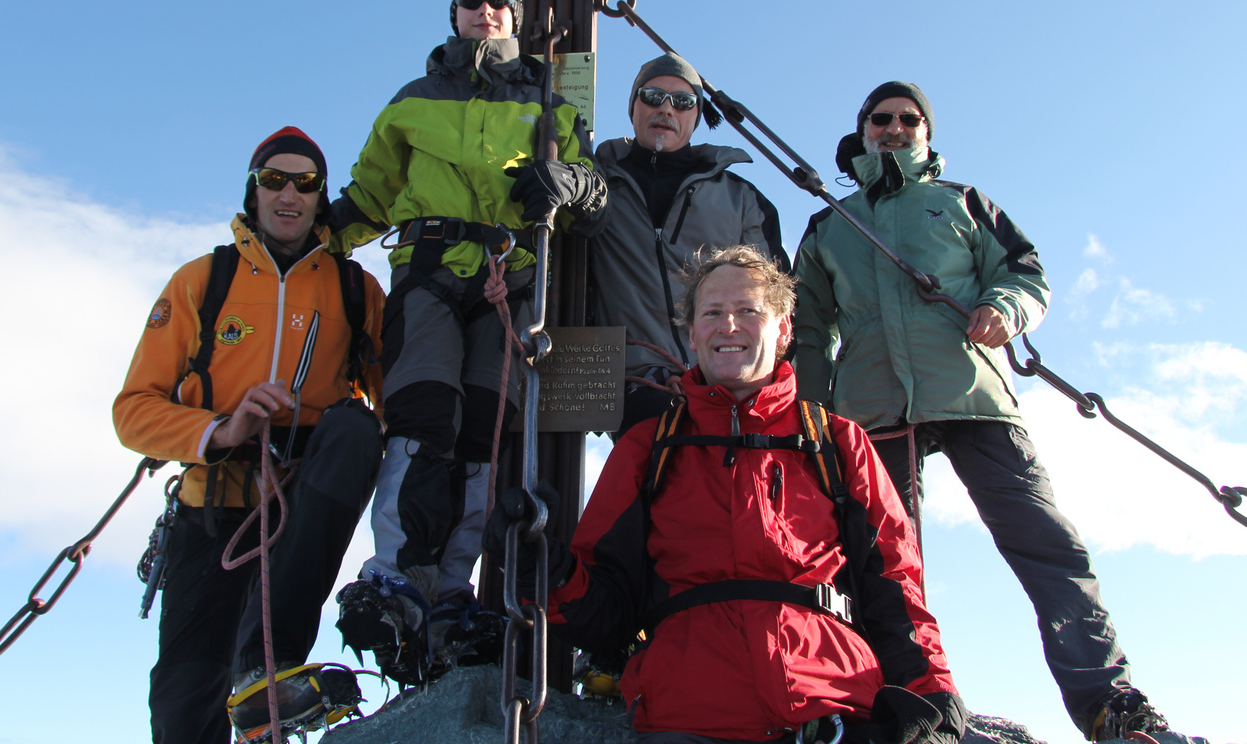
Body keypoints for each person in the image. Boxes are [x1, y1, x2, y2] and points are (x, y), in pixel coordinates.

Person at [791, 82, 1171, 742]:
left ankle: (1112, 706)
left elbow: (1026, 272)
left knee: (1049, 545)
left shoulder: (962, 203)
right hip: (874, 409)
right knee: (881, 564)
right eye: (882, 119)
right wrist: (815, 420)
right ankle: (909, 705)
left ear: (927, 134)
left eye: (910, 119)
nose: (896, 128)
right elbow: (809, 331)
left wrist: (1006, 309)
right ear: (863, 131)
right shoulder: (831, 223)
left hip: (977, 395)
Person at [490, 245, 967, 744]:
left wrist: (933, 694)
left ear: (783, 330)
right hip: (687, 716)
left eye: (748, 311)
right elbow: (606, 614)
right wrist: (542, 570)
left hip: (835, 707)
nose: (729, 326)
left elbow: (894, 583)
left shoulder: (837, 442)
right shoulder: (647, 448)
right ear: (692, 334)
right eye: (712, 313)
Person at [327, 0, 608, 683]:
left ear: (515, 15)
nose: (485, 11)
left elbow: (591, 197)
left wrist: (569, 181)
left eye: (498, 2)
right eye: (472, 0)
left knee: (484, 435)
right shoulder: (414, 98)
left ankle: (453, 591)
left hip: (506, 284)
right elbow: (372, 194)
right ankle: (395, 579)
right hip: (427, 273)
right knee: (424, 421)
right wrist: (305, 238)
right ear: (453, 12)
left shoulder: (549, 104)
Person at [113, 127, 386, 744]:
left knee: (354, 425)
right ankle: (248, 682)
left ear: (321, 200)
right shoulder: (203, 280)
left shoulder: (354, 289)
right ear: (253, 191)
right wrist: (222, 428)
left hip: (298, 503)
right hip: (210, 510)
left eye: (306, 183)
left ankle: (273, 662)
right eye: (274, 180)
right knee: (185, 703)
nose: (288, 193)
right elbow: (133, 410)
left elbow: (400, 403)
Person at [588, 52, 789, 433]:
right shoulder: (596, 187)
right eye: (652, 96)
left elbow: (776, 302)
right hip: (636, 384)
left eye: (682, 102)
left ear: (696, 116)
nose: (666, 108)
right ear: (633, 107)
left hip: (725, 380)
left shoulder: (742, 199)